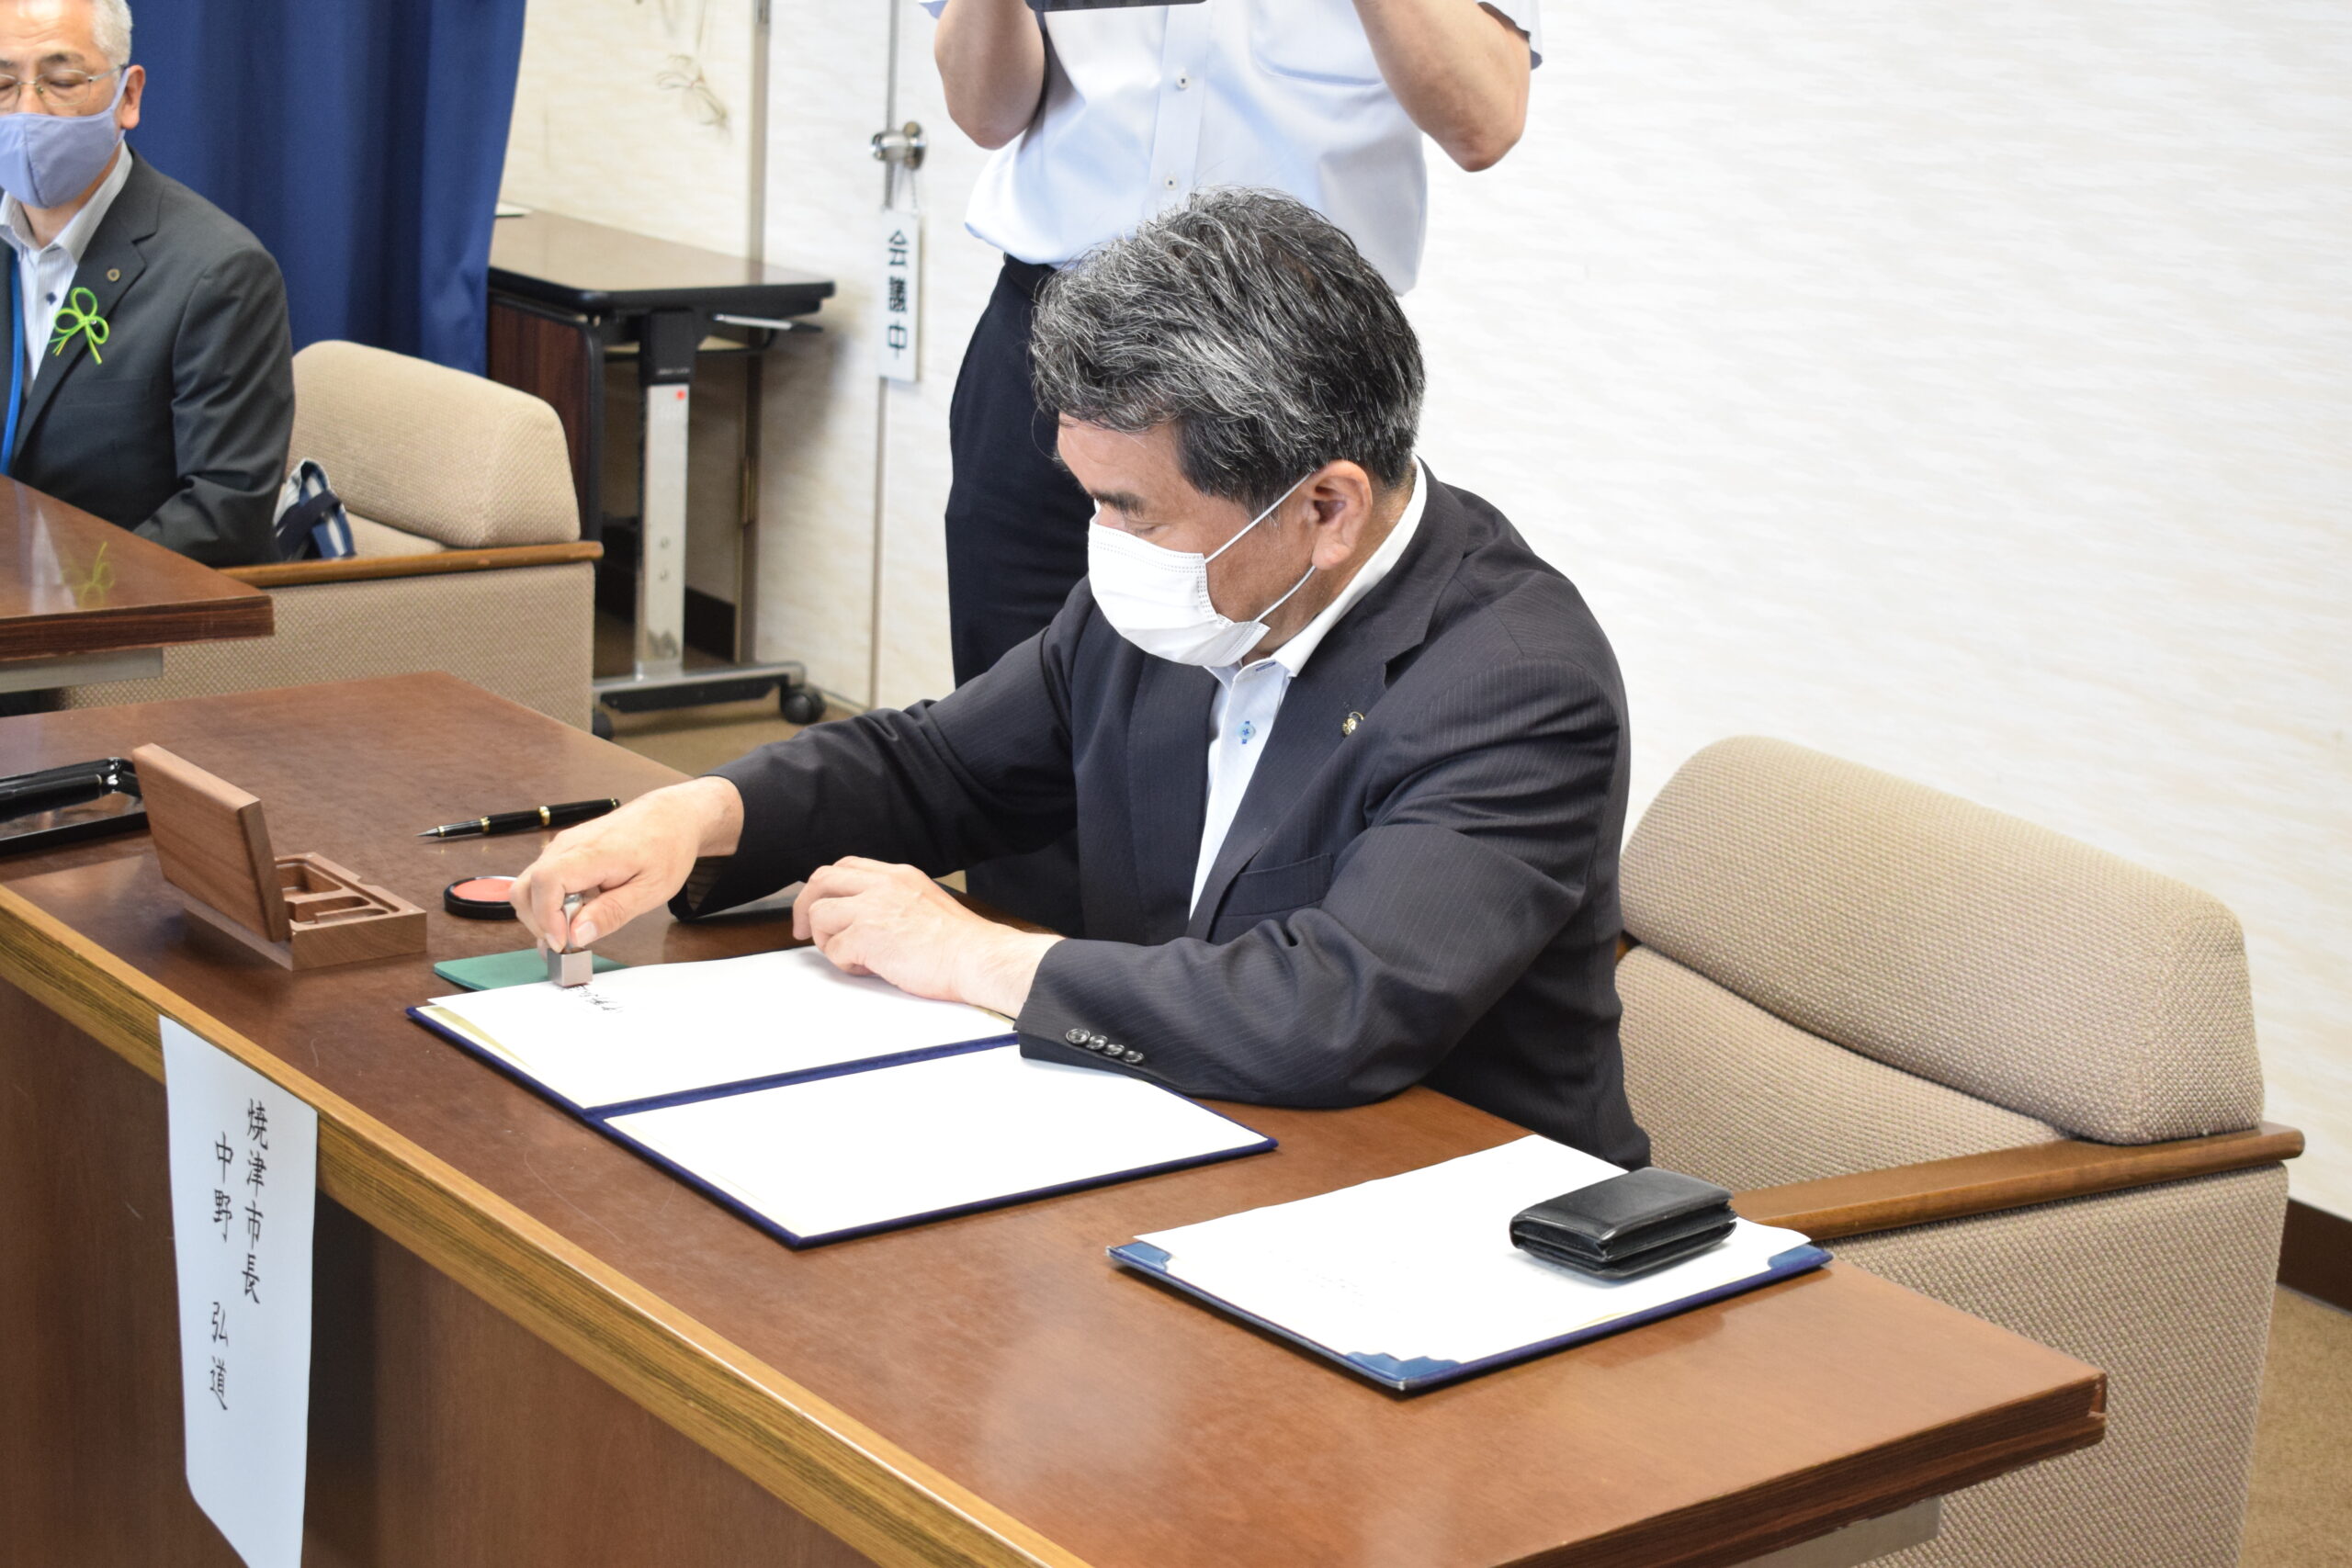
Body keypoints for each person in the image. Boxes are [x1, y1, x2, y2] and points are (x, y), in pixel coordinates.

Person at [512, 189, 1647, 1167]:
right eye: (1088, 496)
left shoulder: (1513, 687)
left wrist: (972, 953)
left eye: (1129, 508)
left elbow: (1332, 1009)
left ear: (1326, 508)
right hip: (1185, 1124)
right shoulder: (1176, 592)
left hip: (1445, 1205)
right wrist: (693, 816)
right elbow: (937, 765)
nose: (1097, 541)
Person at [928, 0, 1542, 931]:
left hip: (1276, 347)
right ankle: (1020, 1010)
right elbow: (984, 112)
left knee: (1251, 725)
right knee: (1019, 713)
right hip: (1061, 333)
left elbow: (1482, 119)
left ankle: (1210, 1018)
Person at [0, 0, 291, 565]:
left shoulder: (219, 272)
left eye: (61, 81)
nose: (27, 111)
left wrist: (54, 599)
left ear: (127, 96)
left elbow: (224, 512)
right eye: (2, 83)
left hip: (120, 617)